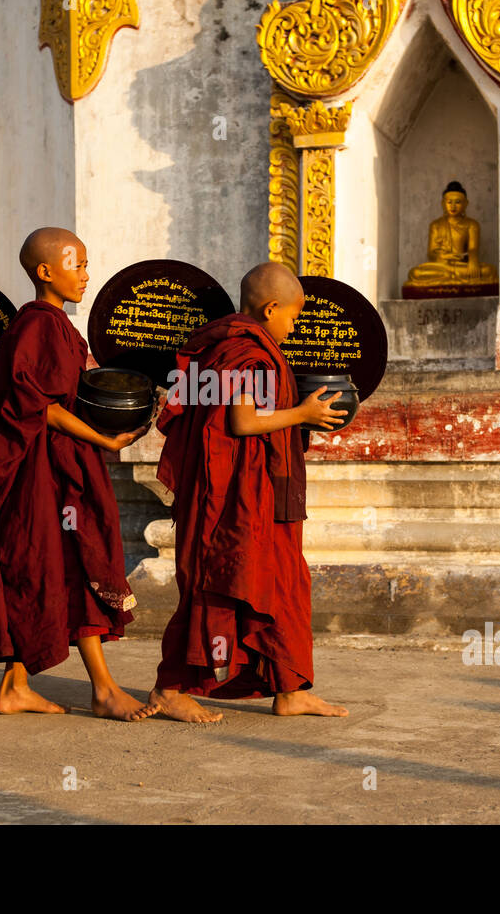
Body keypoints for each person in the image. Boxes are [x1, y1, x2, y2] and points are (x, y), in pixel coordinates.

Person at [0, 227, 157, 722]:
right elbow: (39, 407)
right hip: (41, 472)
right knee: (72, 564)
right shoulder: (38, 327)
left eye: (87, 265)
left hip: (53, 467)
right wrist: (103, 439)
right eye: (77, 265)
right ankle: (104, 689)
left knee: (52, 569)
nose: (86, 275)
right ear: (46, 272)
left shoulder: (56, 327)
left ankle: (15, 685)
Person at [149, 261, 349, 722]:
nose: (294, 327)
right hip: (235, 498)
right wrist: (303, 415)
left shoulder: (236, 346)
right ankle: (170, 687)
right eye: (293, 317)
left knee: (283, 582)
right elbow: (242, 422)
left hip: (259, 489)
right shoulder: (245, 351)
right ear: (271, 307)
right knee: (221, 581)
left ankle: (290, 688)